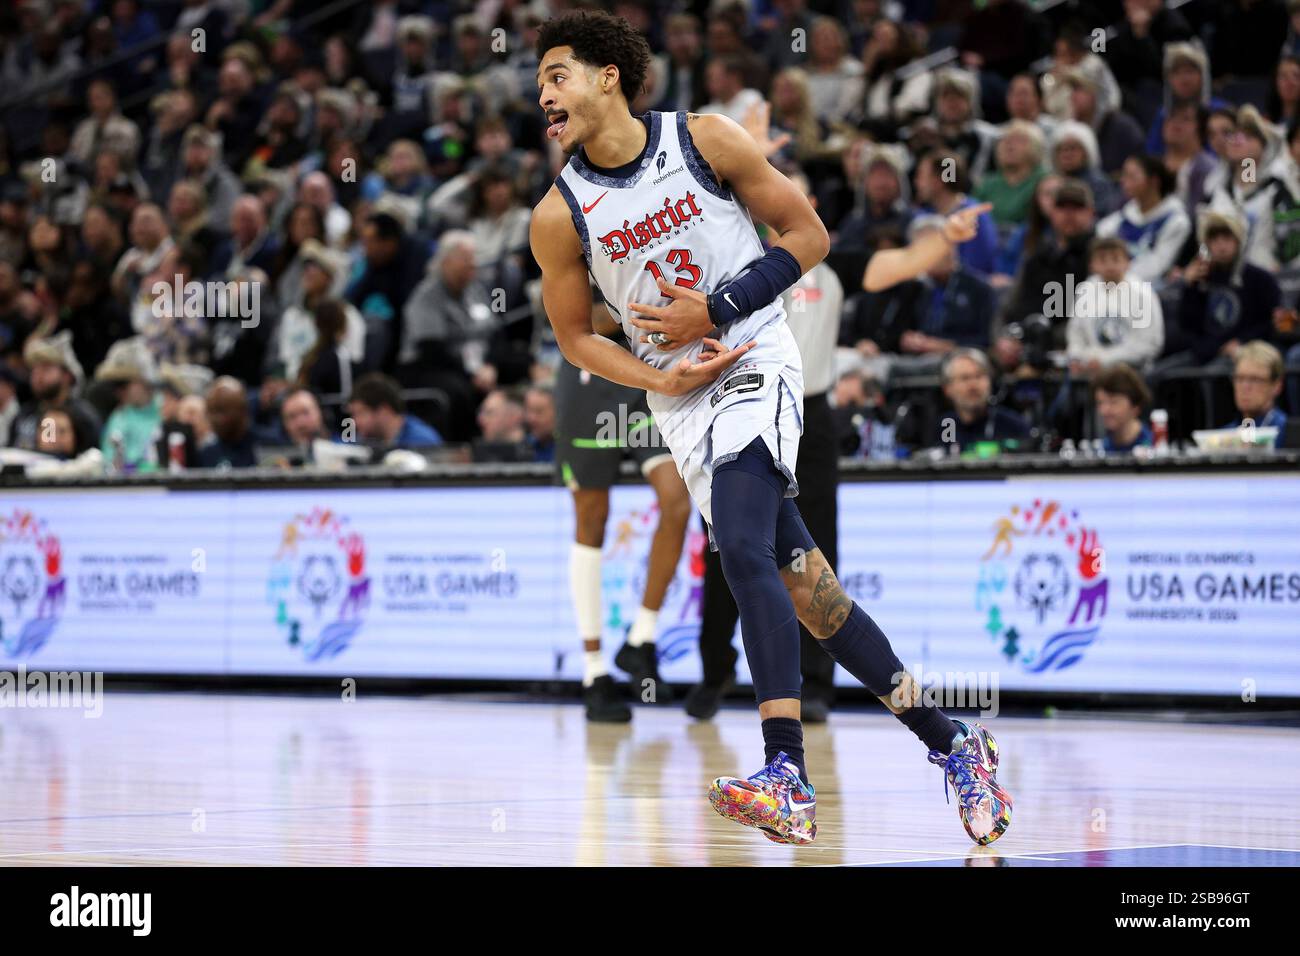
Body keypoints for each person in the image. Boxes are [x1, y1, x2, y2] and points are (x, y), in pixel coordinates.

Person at [528, 10, 1011, 846]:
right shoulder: (557, 214)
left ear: (609, 75)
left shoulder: (704, 140)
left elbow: (809, 236)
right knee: (814, 597)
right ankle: (954, 741)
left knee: (742, 547)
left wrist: (715, 310)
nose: (544, 95)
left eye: (557, 75)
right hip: (679, 397)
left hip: (756, 356)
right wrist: (657, 374)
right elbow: (574, 338)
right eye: (538, 84)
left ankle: (785, 770)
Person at [687, 168, 844, 724]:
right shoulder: (734, 265)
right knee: (732, 543)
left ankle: (818, 686)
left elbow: (894, 265)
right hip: (739, 403)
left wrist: (941, 238)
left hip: (812, 412)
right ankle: (713, 673)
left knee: (814, 551)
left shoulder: (830, 259)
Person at [551, 278, 692, 722]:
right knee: (591, 523)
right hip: (592, 370)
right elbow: (577, 317)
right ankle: (594, 672)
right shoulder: (574, 220)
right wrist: (644, 307)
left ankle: (641, 639)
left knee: (678, 501)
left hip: (647, 371)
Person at [1066, 236, 1165, 376]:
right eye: (1102, 260)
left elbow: (1149, 345)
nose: (1109, 265)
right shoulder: (1086, 290)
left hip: (1133, 373)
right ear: (1091, 265)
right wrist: (1076, 357)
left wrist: (1105, 360)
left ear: (1127, 262)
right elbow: (1075, 334)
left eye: (1115, 259)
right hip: (1090, 371)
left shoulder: (1142, 292)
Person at [347, 372, 443, 449]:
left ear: (384, 411)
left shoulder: (422, 442)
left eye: (361, 413)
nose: (355, 421)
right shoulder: (362, 438)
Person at [1226, 340, 1289, 446]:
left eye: (1255, 379)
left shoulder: (1289, 433)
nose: (1245, 387)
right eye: (1240, 378)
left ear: (1277, 386)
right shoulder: (1225, 435)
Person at [1092, 363, 1154, 454]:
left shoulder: (1154, 448)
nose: (1104, 411)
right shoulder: (1100, 450)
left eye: (1113, 402)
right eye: (1100, 403)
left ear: (1135, 406)